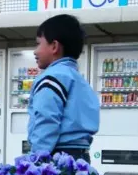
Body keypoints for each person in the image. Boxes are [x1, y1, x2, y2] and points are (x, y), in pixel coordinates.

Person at [28, 14, 100, 163]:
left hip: (57, 156)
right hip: (81, 157)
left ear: (54, 46)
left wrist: (36, 161)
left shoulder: (53, 76)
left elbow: (46, 119)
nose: (35, 51)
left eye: (38, 44)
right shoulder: (78, 79)